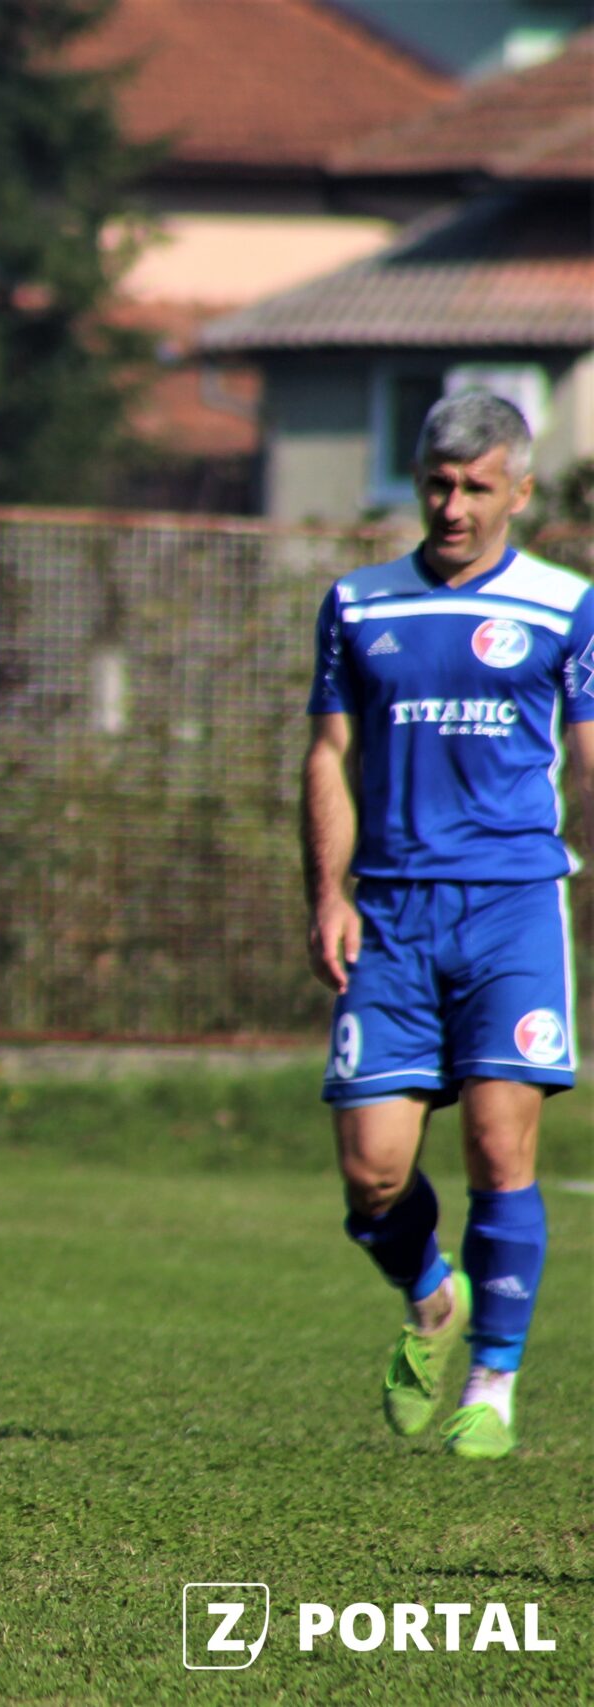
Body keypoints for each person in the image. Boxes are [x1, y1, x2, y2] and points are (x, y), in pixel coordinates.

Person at [303, 390, 590, 1461]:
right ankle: (430, 1293)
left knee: (494, 1146)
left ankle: (493, 1382)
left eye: (476, 486)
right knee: (372, 1174)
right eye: (437, 482)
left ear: (520, 490)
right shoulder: (359, 604)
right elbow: (327, 754)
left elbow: (591, 758)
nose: (453, 505)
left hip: (513, 908)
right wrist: (325, 895)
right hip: (388, 913)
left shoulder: (567, 608)